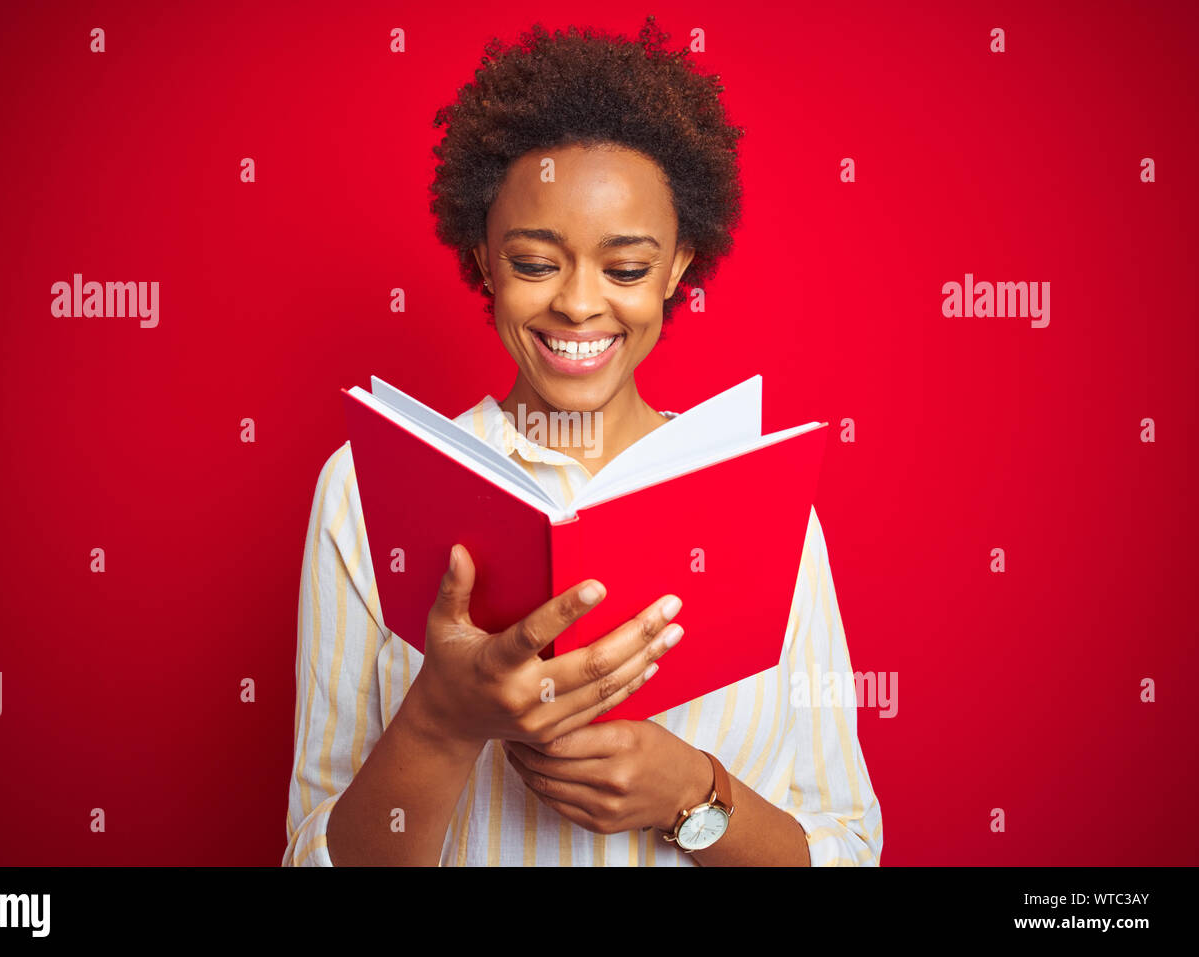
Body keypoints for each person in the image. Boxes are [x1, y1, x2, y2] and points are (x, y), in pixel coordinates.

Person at [283, 17, 882, 866]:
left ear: (679, 267)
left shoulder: (768, 504)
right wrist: (442, 721)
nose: (578, 305)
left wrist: (693, 795)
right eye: (534, 263)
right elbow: (314, 857)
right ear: (484, 259)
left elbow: (848, 848)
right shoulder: (363, 488)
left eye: (627, 269)